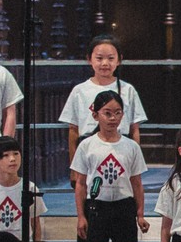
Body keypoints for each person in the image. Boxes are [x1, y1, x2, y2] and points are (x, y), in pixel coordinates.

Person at [70, 88, 149, 242]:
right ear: (96, 115)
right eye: (107, 113)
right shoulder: (87, 145)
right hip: (97, 208)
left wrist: (140, 213)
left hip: (124, 207)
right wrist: (81, 216)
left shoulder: (131, 146)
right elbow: (80, 184)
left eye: (117, 113)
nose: (112, 118)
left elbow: (136, 183)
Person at [58, 34, 146, 162]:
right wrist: (74, 166)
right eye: (99, 58)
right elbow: (73, 130)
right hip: (89, 151)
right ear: (89, 59)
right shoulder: (79, 91)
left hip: (121, 150)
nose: (105, 63)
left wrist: (135, 162)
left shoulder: (128, 90)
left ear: (119, 60)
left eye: (111, 58)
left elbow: (134, 129)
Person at [0, 135, 44, 242]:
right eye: (6, 155)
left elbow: (36, 224)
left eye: (16, 153)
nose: (12, 159)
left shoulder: (30, 187)